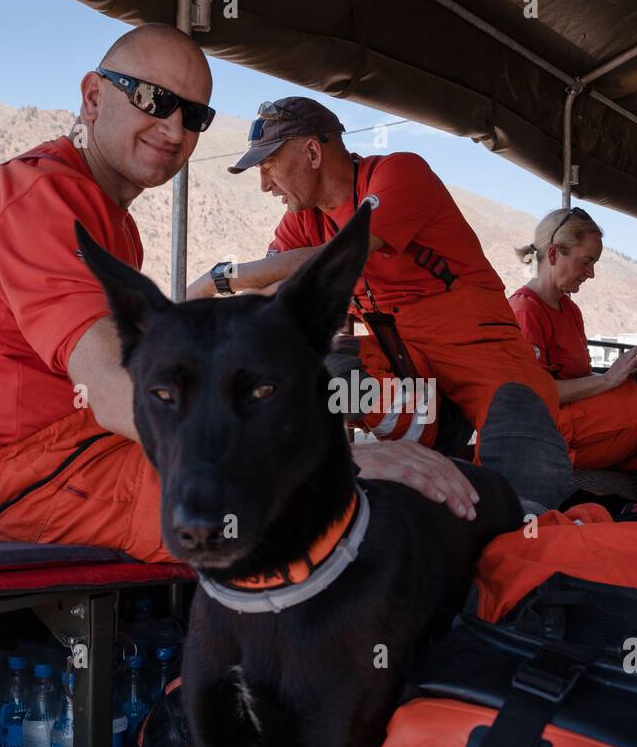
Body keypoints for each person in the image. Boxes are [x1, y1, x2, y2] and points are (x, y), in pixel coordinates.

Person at [0, 27, 482, 563]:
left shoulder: (112, 221)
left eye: (194, 116)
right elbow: (116, 390)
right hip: (39, 476)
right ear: (93, 97)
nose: (173, 130)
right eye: (152, 99)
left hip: (94, 449)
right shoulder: (42, 197)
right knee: (314, 518)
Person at [187, 97, 574, 510]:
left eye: (268, 166)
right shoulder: (301, 220)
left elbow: (339, 256)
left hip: (483, 354)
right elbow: (272, 289)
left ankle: (519, 519)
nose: (265, 185)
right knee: (324, 368)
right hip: (411, 369)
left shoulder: (400, 173)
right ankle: (417, 451)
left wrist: (217, 279)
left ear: (313, 152)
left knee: (526, 495)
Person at [509, 207, 637, 475]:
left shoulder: (569, 310)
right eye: (586, 261)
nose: (590, 273)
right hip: (553, 432)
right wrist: (607, 380)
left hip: (583, 419)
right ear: (555, 254)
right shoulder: (525, 310)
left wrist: (623, 374)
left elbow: (577, 378)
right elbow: (533, 393)